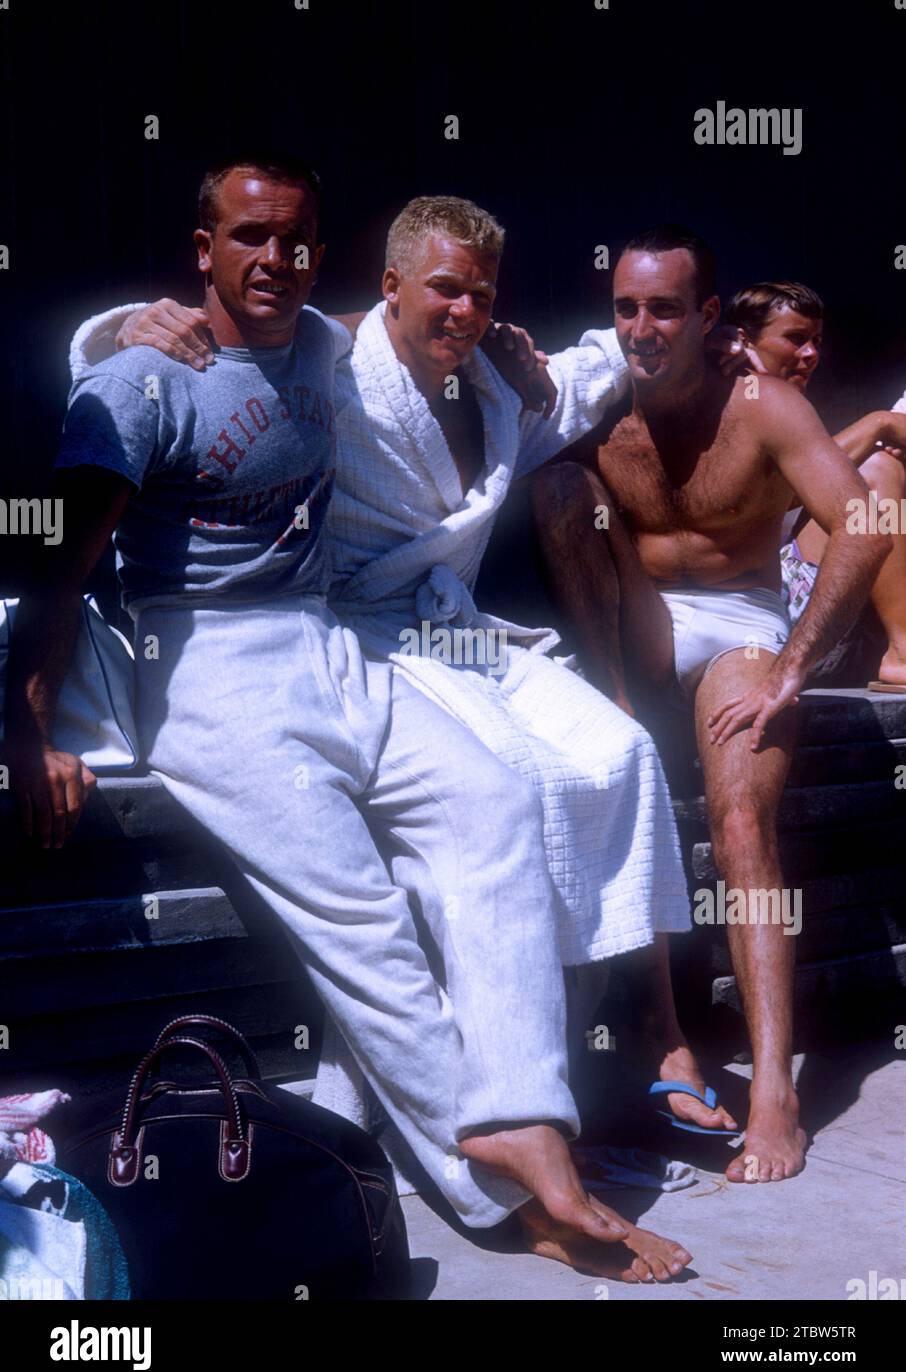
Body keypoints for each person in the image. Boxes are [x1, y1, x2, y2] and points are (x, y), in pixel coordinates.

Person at [4, 158, 694, 1283]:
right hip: (208, 667)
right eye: (249, 238)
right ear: (204, 247)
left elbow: (471, 335)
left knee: (495, 801)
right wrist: (27, 726)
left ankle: (522, 1107)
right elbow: (59, 560)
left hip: (332, 642)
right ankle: (497, 1191)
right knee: (361, 917)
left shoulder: (331, 347)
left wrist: (520, 352)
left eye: (296, 240)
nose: (274, 259)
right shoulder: (142, 379)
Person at [529, 225, 891, 1183]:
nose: (643, 329)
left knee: (739, 821)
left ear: (707, 316)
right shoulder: (597, 408)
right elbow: (458, 346)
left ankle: (773, 1086)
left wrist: (793, 668)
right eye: (626, 308)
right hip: (639, 626)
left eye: (664, 309)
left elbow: (865, 519)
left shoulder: (762, 406)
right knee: (561, 487)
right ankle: (665, 1035)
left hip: (740, 624)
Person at [724, 279, 906, 690]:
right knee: (874, 473)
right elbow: (776, 496)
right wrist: (880, 424)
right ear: (742, 339)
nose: (811, 354)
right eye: (795, 339)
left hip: (826, 607)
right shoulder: (724, 401)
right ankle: (903, 652)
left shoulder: (788, 401)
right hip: (769, 622)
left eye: (816, 341)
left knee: (883, 471)